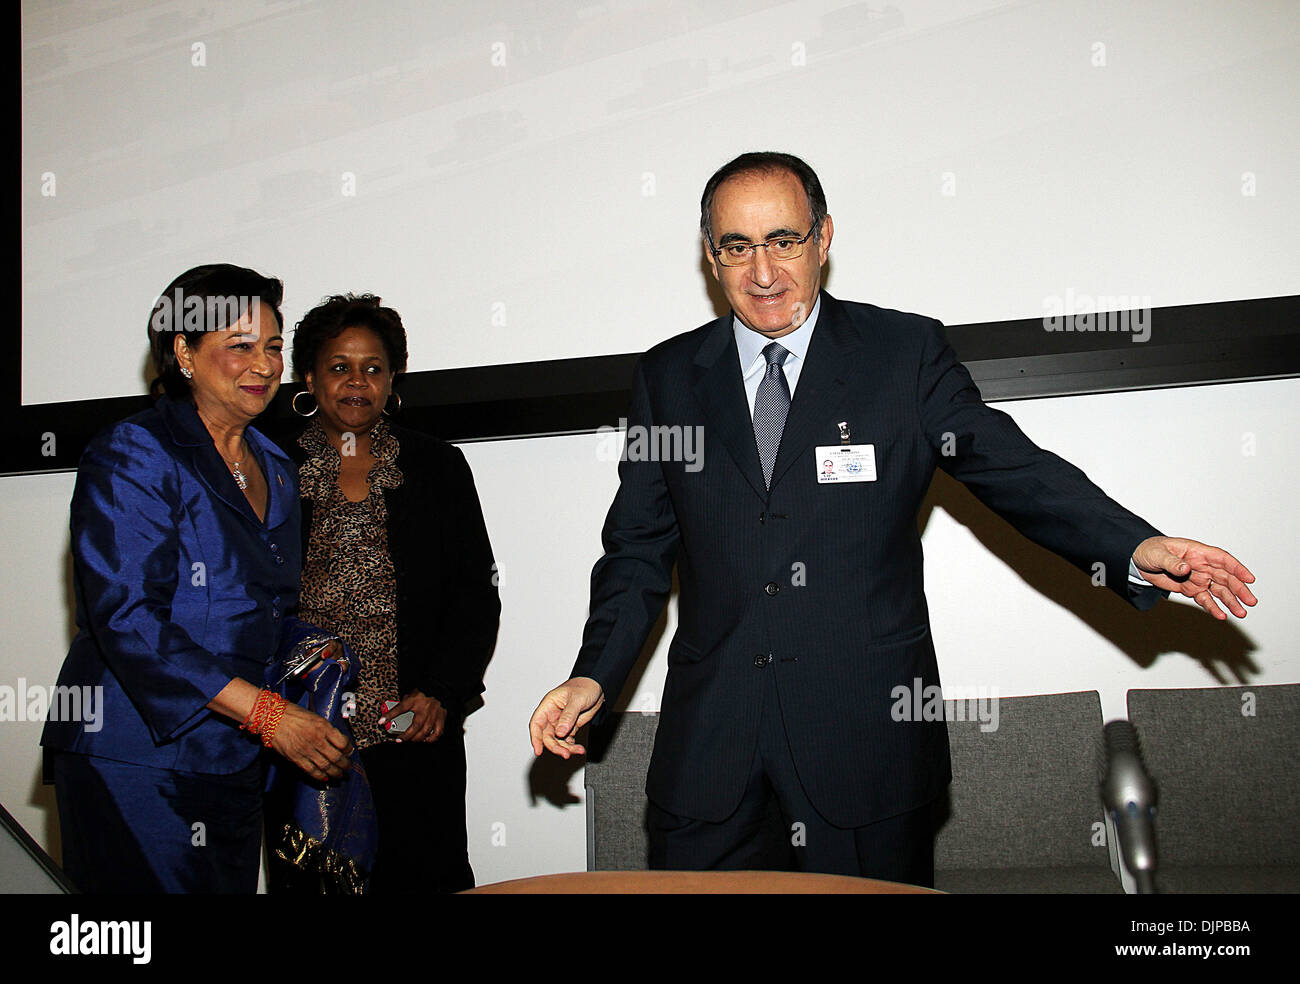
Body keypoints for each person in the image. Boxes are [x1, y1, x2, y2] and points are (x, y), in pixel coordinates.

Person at [529, 152, 1258, 886]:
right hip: (710, 759)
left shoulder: (902, 354)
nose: (763, 271)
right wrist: (594, 675)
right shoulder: (668, 376)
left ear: (823, 238)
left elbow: (1008, 465)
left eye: (784, 240)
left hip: (866, 750)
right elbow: (636, 549)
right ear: (711, 256)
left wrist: (1132, 546)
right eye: (737, 246)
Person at [41, 263, 354, 893]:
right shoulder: (134, 451)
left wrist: (316, 656)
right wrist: (269, 716)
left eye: (273, 347)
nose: (264, 365)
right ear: (183, 352)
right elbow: (128, 617)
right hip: (135, 757)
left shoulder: (277, 466)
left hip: (235, 759)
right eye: (240, 345)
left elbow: (265, 610)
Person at [269, 294, 500, 894]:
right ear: (309, 377)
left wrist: (442, 693)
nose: (356, 382)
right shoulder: (270, 467)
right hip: (305, 736)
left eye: (373, 368)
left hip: (412, 732)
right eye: (339, 367)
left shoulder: (437, 466)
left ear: (393, 378)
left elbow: (476, 593)